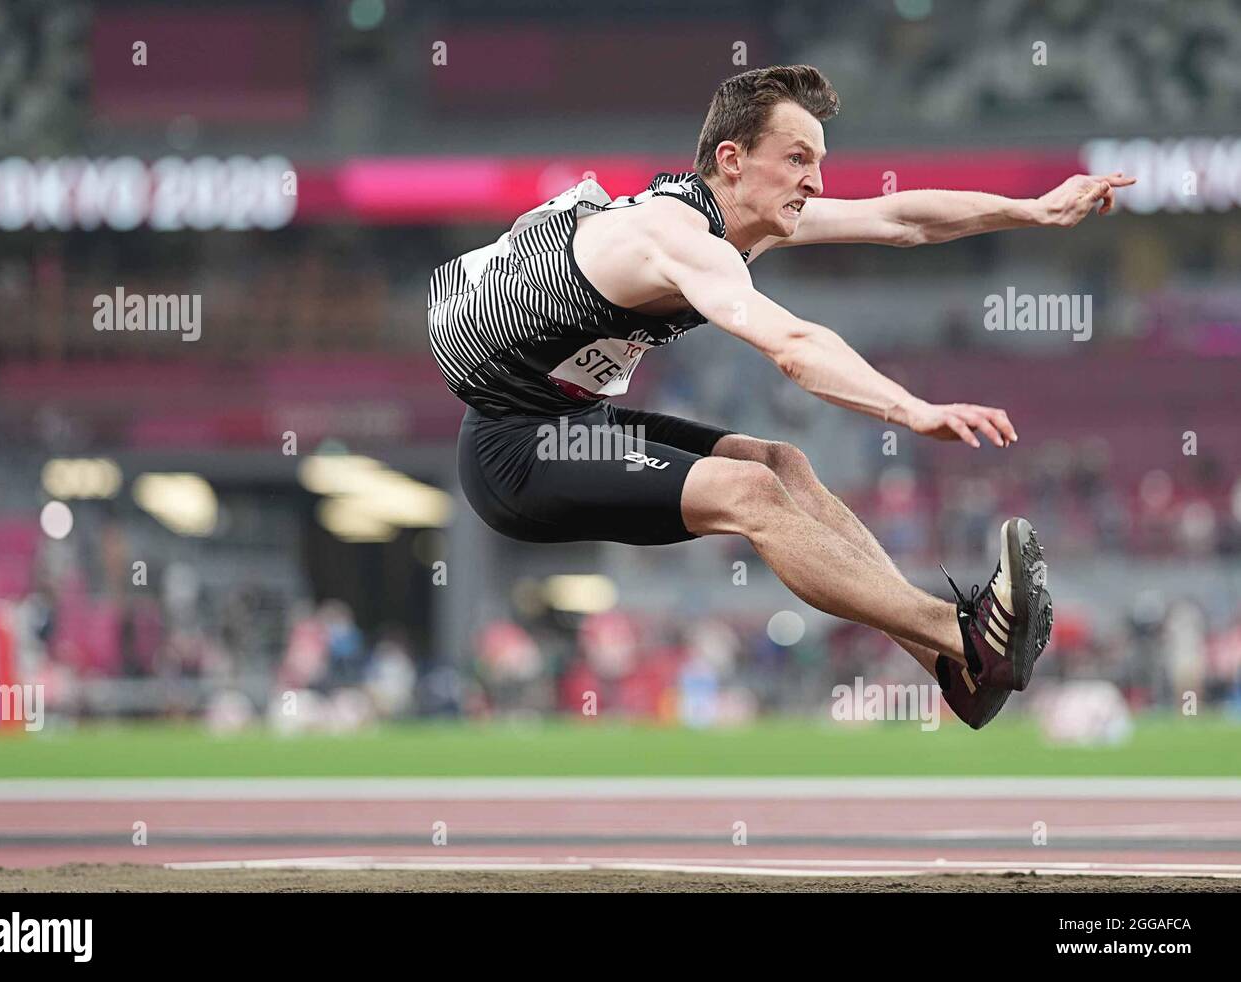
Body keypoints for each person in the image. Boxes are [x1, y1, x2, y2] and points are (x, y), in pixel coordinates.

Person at [428, 65, 1134, 728]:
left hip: (573, 416)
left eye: (818, 162)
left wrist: (1034, 210)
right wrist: (911, 410)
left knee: (782, 464)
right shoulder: (678, 238)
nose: (817, 183)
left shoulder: (736, 223)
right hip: (515, 451)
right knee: (750, 491)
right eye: (798, 159)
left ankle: (957, 670)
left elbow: (899, 220)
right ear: (733, 160)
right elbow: (793, 347)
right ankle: (962, 636)